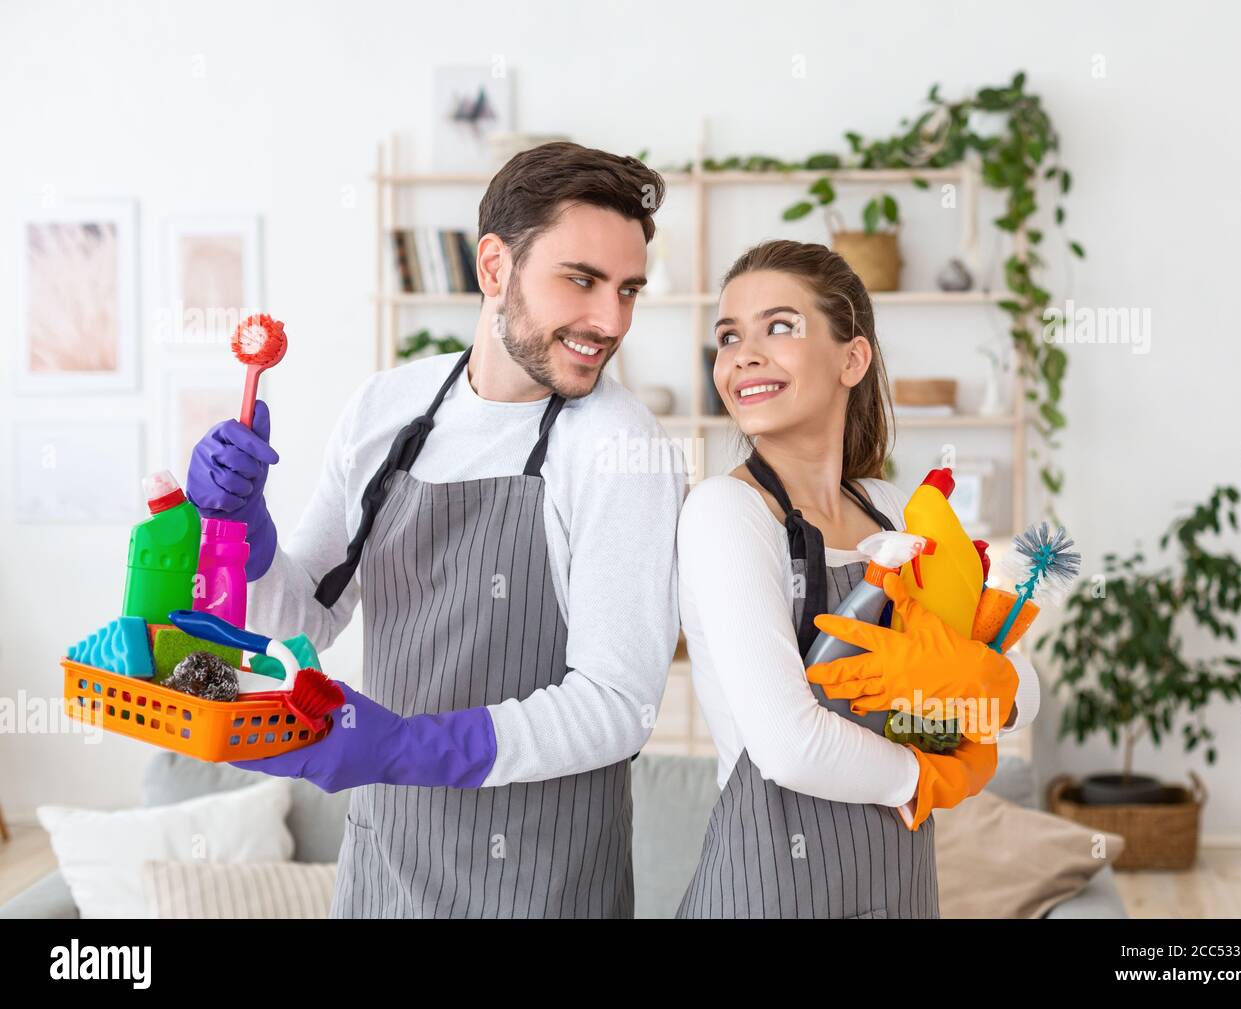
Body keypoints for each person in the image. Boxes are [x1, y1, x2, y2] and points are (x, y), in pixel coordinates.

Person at [185, 142, 686, 918]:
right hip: (385, 861)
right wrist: (245, 528)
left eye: (628, 290)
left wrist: (409, 746)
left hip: (539, 880)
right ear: (495, 267)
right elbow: (304, 619)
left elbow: (618, 704)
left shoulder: (622, 447)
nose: (610, 319)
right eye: (581, 281)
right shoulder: (387, 408)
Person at [674, 239, 1040, 918]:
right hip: (769, 891)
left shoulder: (896, 509)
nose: (743, 354)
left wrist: (987, 684)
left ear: (854, 357)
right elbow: (787, 746)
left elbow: (1019, 690)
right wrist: (924, 775)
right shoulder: (726, 512)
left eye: (779, 326)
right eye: (728, 336)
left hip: (900, 887)